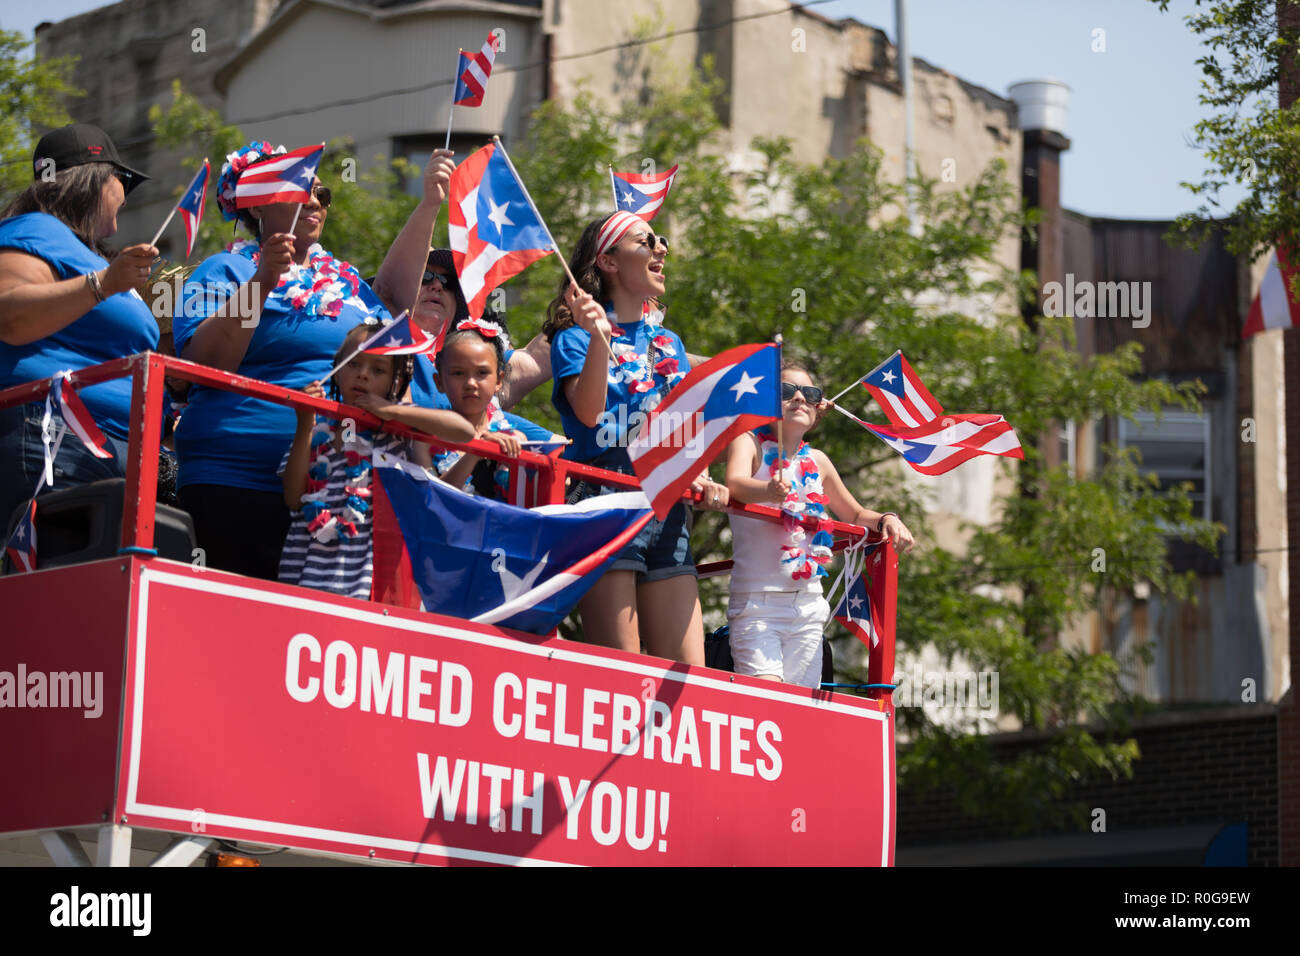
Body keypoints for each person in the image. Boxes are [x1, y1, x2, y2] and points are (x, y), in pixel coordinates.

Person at [172, 141, 453, 579]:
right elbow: (204, 363)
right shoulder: (225, 269)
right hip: (238, 480)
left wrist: (429, 205)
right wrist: (263, 281)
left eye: (323, 194)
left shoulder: (345, 280)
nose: (315, 202)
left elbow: (395, 305)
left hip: (335, 492)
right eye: (301, 190)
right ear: (259, 206)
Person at [543, 211, 730, 664]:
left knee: (689, 674)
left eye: (660, 240)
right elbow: (588, 416)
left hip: (666, 506)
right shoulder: (573, 339)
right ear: (608, 261)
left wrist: (702, 471)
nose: (661, 248)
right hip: (606, 500)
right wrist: (598, 337)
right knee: (620, 670)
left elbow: (680, 427)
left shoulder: (670, 344)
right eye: (646, 242)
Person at [0, 123, 158, 526]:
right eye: (123, 180)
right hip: (57, 439)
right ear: (97, 180)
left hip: (112, 450)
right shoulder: (34, 229)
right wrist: (104, 283)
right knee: (59, 582)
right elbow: (10, 317)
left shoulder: (92, 257)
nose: (125, 195)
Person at [724, 363, 916, 688]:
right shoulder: (749, 443)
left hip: (809, 606)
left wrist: (888, 519)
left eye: (809, 394)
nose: (799, 398)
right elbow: (734, 483)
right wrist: (767, 490)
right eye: (787, 391)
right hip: (758, 604)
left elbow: (854, 515)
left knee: (797, 709)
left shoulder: (818, 461)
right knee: (766, 700)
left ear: (817, 408)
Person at [279, 322, 476, 598]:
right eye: (354, 364)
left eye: (378, 370)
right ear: (337, 369)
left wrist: (391, 411)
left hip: (368, 584)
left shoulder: (397, 430)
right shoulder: (315, 428)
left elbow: (464, 431)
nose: (363, 375)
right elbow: (292, 497)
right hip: (304, 578)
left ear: (395, 381)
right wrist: (303, 424)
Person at [373, 247, 554, 434]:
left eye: (449, 282)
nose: (437, 285)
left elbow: (534, 358)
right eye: (424, 276)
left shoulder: (475, 356)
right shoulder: (374, 346)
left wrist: (581, 301)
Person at [429, 316, 526, 497]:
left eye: (482, 373)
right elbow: (431, 499)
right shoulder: (427, 438)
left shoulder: (515, 439)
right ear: (439, 381)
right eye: (458, 373)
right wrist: (476, 451)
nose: (471, 383)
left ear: (498, 380)